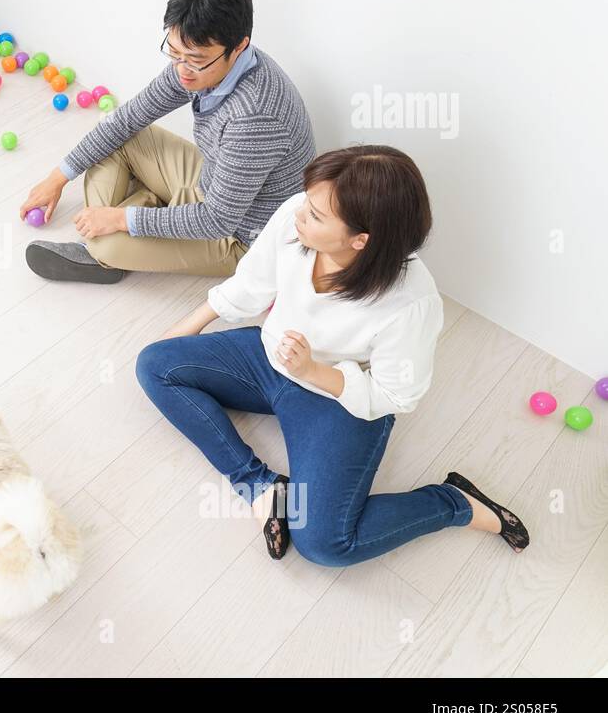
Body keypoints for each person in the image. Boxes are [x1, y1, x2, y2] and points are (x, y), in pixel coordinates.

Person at [135, 145, 530, 563]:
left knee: (325, 545)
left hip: (338, 398)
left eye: (316, 215)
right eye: (307, 202)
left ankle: (453, 503)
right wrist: (184, 331)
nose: (299, 214)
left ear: (361, 240)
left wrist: (313, 371)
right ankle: (260, 487)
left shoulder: (411, 301)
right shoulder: (296, 216)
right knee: (154, 364)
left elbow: (398, 396)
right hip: (269, 359)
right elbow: (250, 282)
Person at [20, 0, 315, 284]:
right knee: (122, 137)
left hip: (239, 233)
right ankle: (140, 216)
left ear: (239, 47)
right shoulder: (197, 63)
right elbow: (128, 118)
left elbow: (217, 220)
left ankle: (106, 246)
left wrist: (121, 219)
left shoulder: (254, 119)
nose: (182, 70)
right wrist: (58, 178)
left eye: (195, 60)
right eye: (175, 52)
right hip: (210, 179)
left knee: (105, 241)